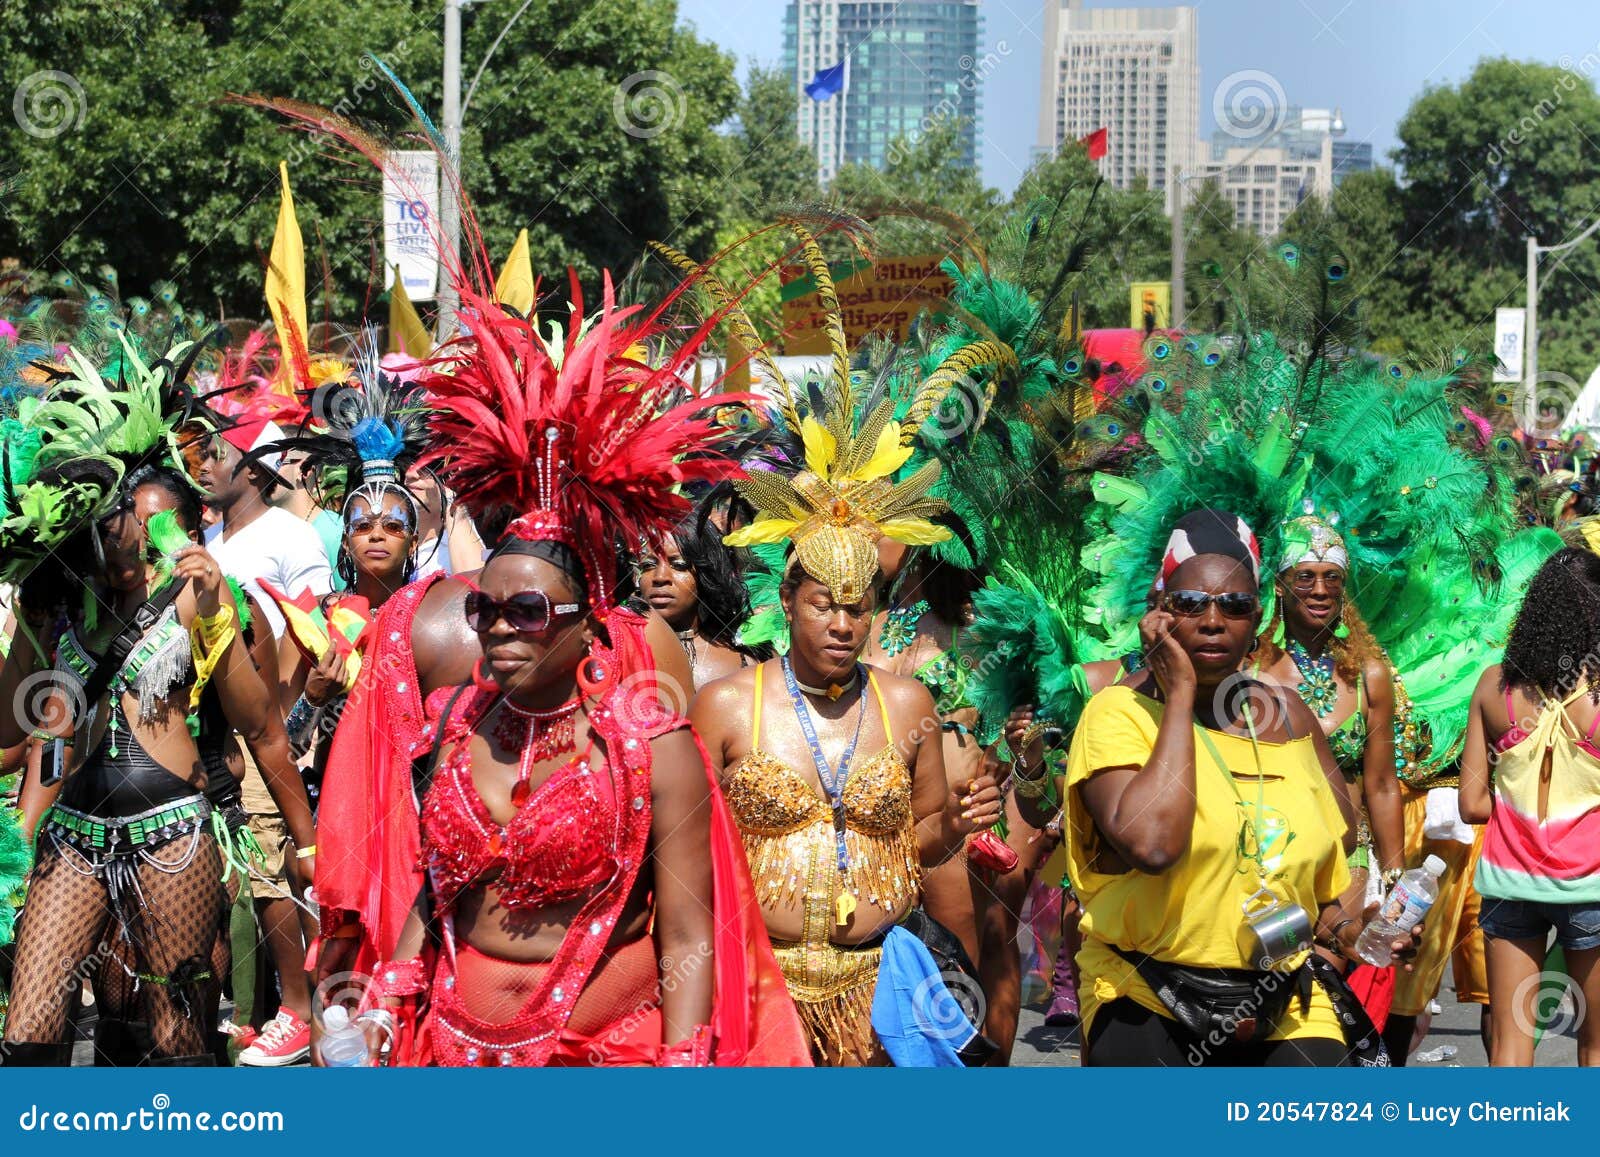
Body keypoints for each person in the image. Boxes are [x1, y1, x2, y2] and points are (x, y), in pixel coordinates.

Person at [314, 258, 808, 1066]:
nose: (499, 628)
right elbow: (440, 886)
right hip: (450, 1051)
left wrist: (683, 1066)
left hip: (602, 1054)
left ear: (590, 625)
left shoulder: (651, 748)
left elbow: (689, 929)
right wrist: (385, 998)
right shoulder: (455, 721)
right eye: (486, 608)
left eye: (529, 611)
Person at [697, 234, 1006, 1063]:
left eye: (858, 606)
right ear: (787, 602)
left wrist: (963, 828)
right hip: (760, 994)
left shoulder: (907, 704)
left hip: (881, 998)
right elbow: (688, 856)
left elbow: (926, 844)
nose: (842, 622)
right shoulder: (731, 701)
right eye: (823, 605)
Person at [0, 352, 313, 1066]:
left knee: (175, 1032)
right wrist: (27, 617)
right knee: (29, 1027)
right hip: (75, 832)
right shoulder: (59, 609)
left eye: (138, 519)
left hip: (173, 830)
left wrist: (307, 843)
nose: (124, 531)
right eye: (109, 519)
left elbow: (259, 723)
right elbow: (26, 732)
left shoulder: (197, 598)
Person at [1049, 509, 1414, 1066]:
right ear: (1159, 613)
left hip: (1282, 990)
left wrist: (1349, 927)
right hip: (1148, 990)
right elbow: (1154, 845)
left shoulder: (1289, 715)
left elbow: (1328, 853)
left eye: (1235, 605)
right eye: (1191, 604)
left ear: (1258, 616)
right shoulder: (1117, 713)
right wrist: (1179, 694)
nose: (1213, 620)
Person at [195, 415, 332, 1065]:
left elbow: (316, 627)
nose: (203, 463)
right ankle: (261, 1010)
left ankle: (299, 1011)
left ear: (253, 469)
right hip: (212, 730)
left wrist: (294, 715)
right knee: (241, 870)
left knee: (270, 865)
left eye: (217, 454)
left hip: (267, 725)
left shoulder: (289, 532)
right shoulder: (208, 537)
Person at [1460, 547, 1600, 1066]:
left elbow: (1472, 803)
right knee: (1595, 1044)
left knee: (1511, 1043)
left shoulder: (1495, 686)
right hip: (1590, 885)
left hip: (1508, 885)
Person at [637, 514, 769, 692]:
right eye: (648, 565)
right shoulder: (613, 649)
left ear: (706, 573)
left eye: (679, 565)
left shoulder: (750, 654)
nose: (660, 577)